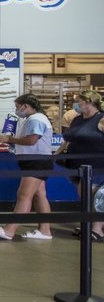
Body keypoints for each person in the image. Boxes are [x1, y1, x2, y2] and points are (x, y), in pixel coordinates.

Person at [0, 93, 54, 241]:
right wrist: (12, 142)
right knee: (39, 195)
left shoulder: (36, 119)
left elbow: (31, 140)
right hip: (36, 161)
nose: (17, 110)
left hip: (36, 162)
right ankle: (45, 230)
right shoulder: (33, 119)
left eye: (17, 107)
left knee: (24, 195)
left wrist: (9, 138)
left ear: (26, 106)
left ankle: (9, 230)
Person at [59, 90, 104, 241]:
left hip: (96, 163)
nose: (77, 104)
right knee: (85, 195)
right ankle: (90, 225)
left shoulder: (101, 119)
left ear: (89, 102)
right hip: (77, 163)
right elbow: (68, 139)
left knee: (93, 195)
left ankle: (97, 229)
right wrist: (58, 153)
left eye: (80, 101)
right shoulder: (77, 119)